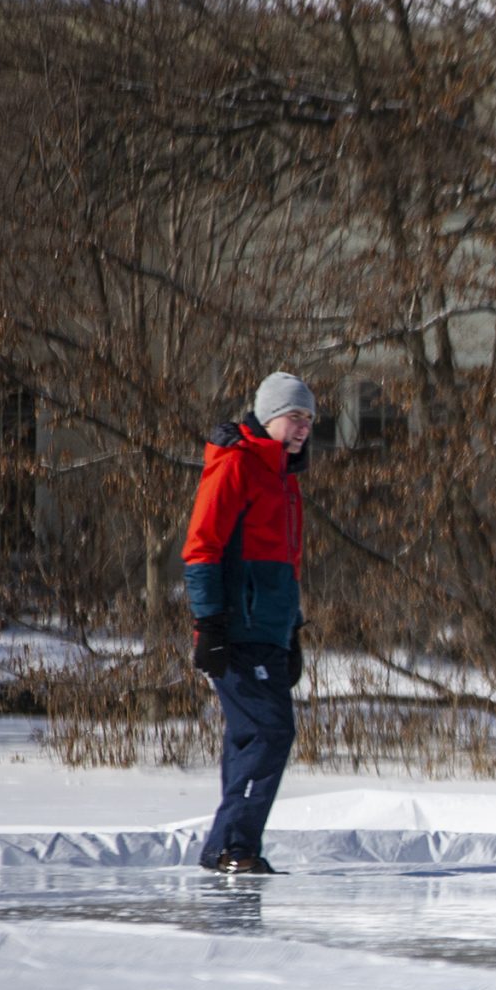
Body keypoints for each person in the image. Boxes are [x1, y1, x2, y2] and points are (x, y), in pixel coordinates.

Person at [183, 372, 313, 876]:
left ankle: (231, 850)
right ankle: (231, 847)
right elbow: (202, 548)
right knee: (270, 733)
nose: (303, 427)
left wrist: (292, 632)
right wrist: (209, 625)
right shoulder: (237, 466)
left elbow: (287, 566)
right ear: (268, 415)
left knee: (248, 737)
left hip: (268, 634)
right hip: (238, 630)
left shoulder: (286, 480)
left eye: (308, 419)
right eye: (294, 416)